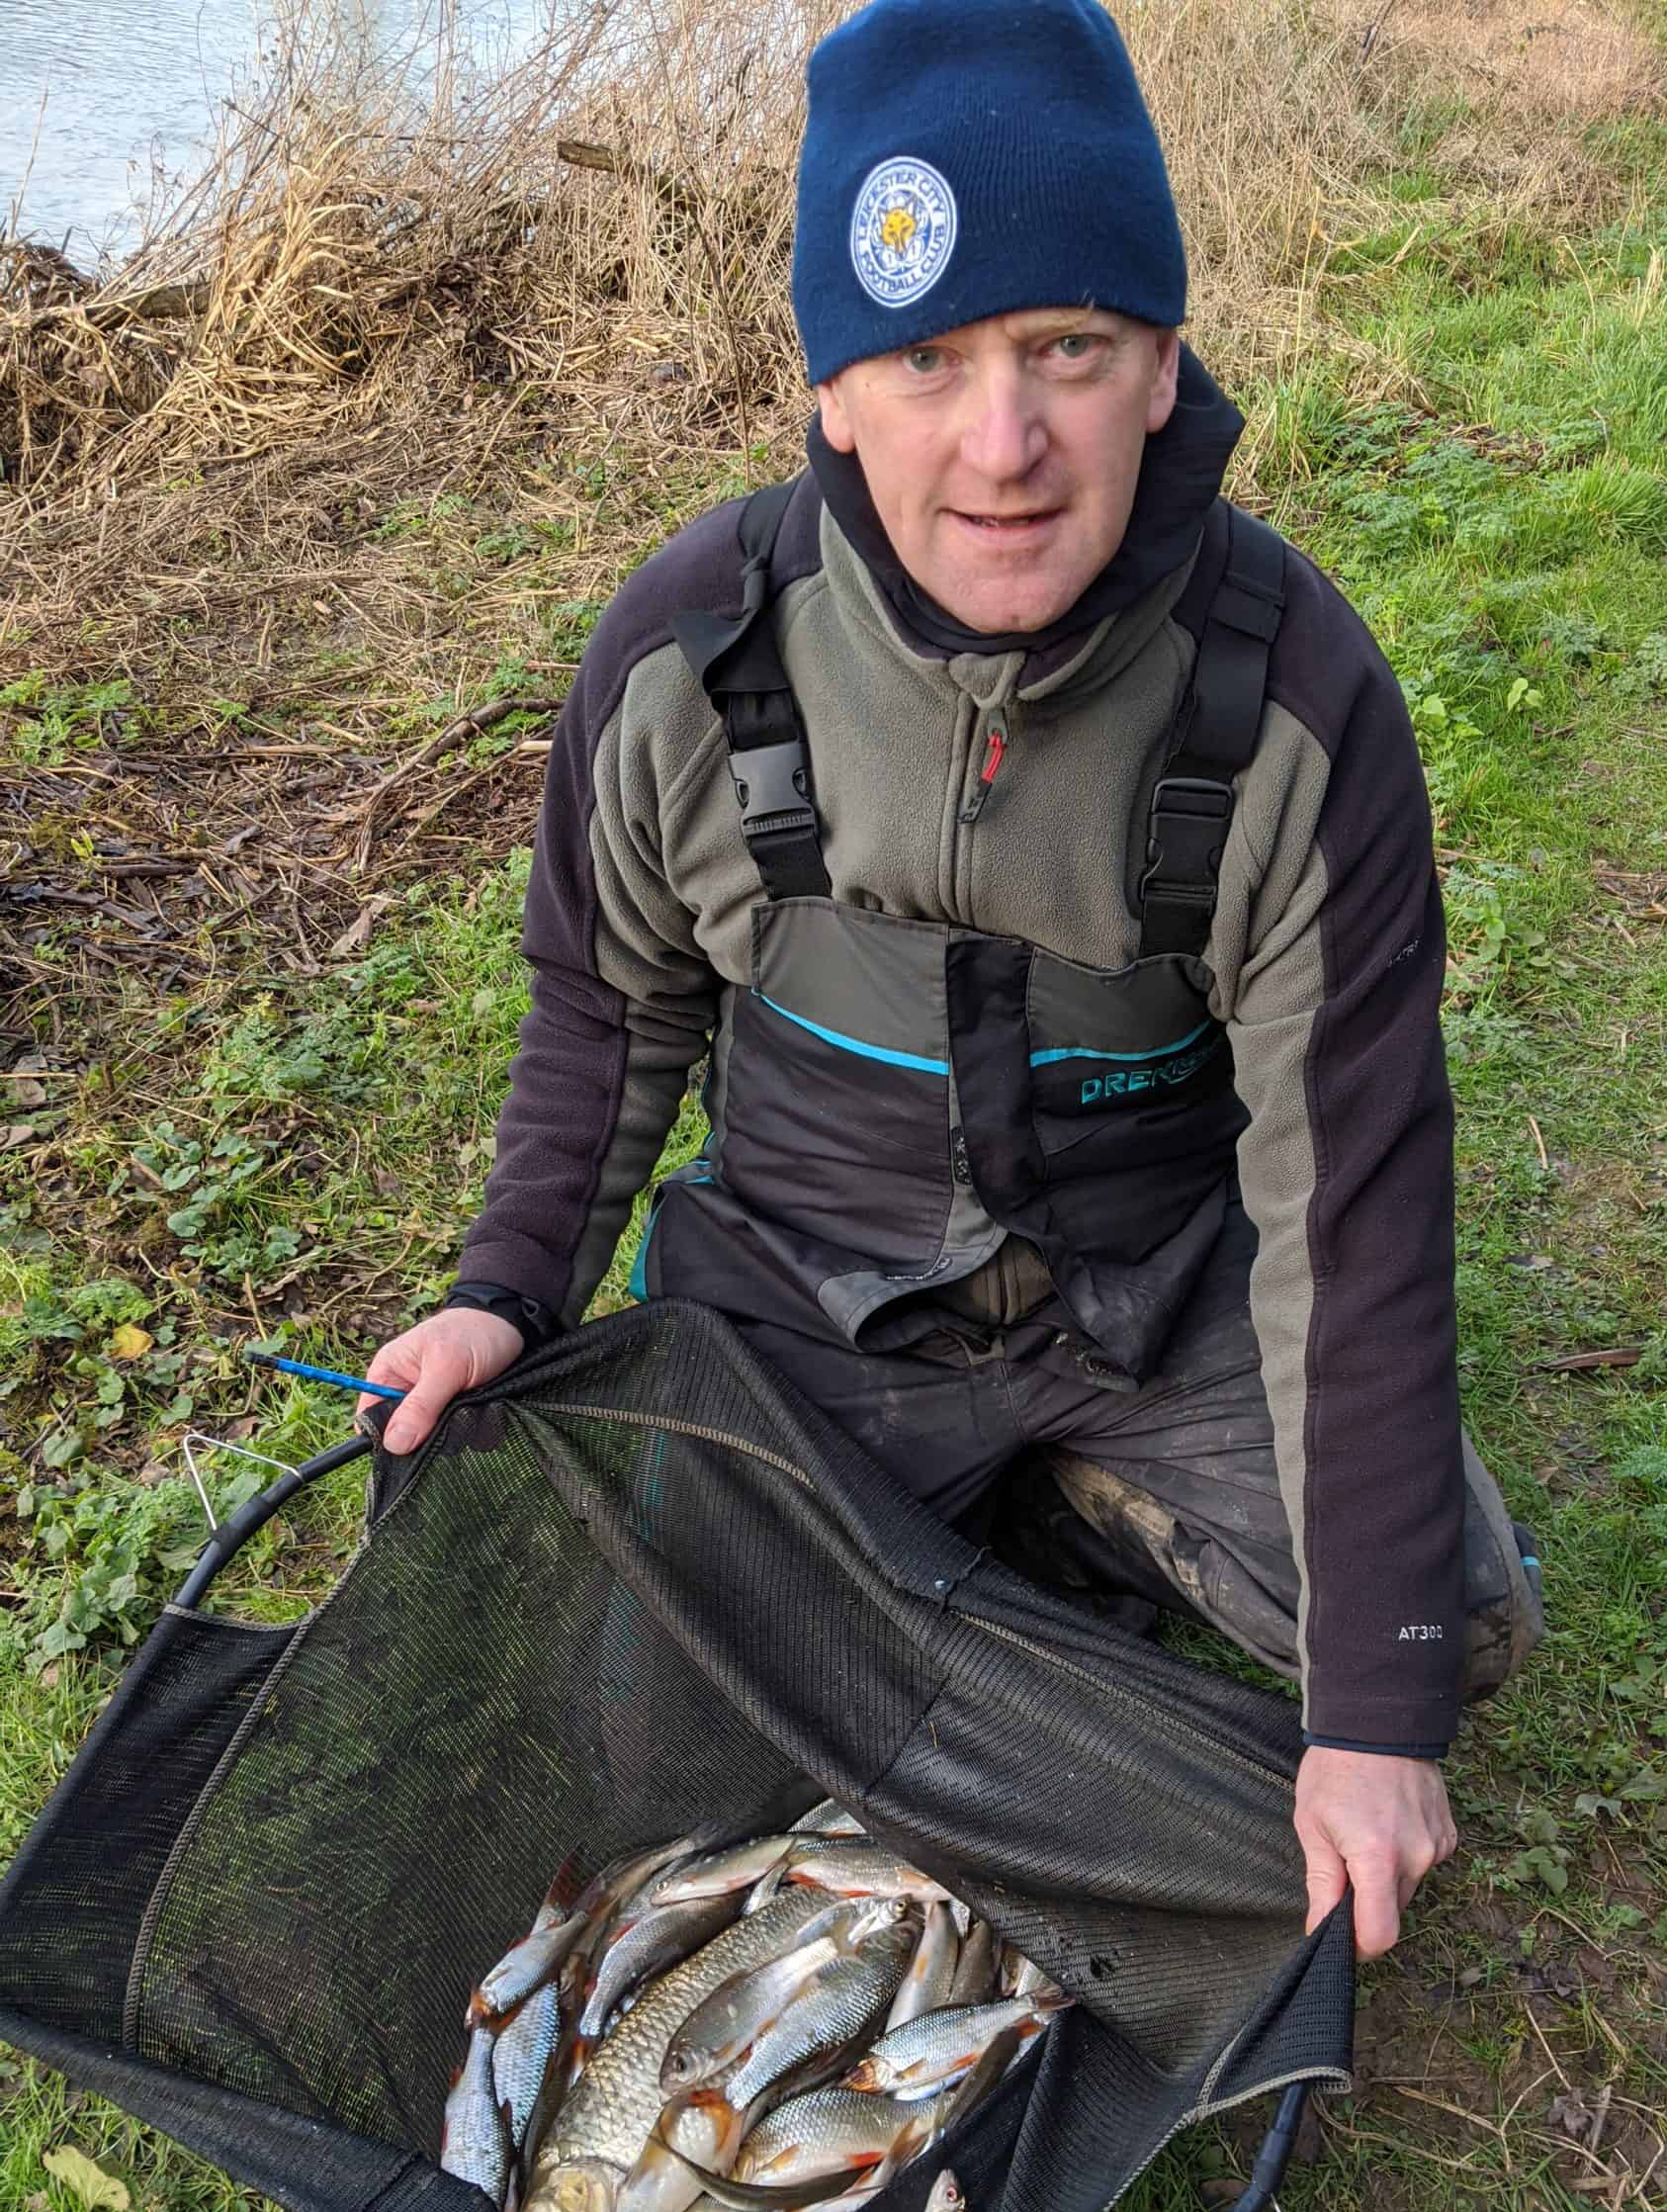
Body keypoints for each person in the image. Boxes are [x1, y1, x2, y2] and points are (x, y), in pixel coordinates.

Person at [362, 0, 1542, 1961]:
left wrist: (1373, 1712)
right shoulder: (684, 654)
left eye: (1068, 346)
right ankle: (913, 1524)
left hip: (1148, 1304)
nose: (1005, 447)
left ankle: (1043, 1502)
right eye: (928, 359)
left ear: (1161, 364)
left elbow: (1351, 1208)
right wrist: (506, 1293)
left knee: (1445, 1621)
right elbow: (605, 1009)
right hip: (801, 1308)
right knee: (643, 1725)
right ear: (834, 390)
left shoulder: (1297, 707)